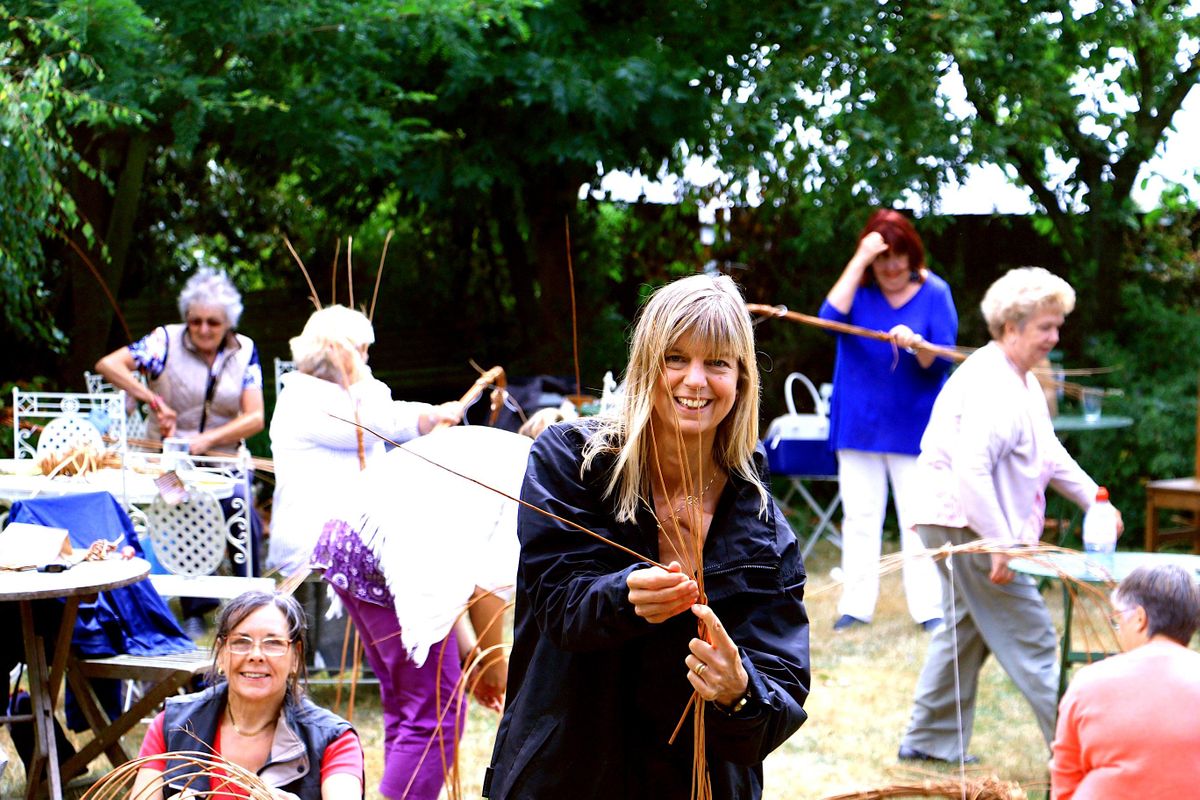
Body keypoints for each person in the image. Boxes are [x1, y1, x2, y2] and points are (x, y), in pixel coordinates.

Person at [484, 273, 811, 799]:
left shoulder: (761, 521)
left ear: (742, 379)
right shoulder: (573, 461)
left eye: (717, 363)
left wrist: (738, 689)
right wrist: (624, 594)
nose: (695, 380)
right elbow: (556, 604)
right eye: (675, 358)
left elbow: (782, 693)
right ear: (645, 365)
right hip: (566, 776)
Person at [897, 266, 1122, 764]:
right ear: (1011, 327)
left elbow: (1048, 452)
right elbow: (971, 471)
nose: (1055, 337)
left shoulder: (1020, 379)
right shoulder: (993, 385)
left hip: (958, 519)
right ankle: (1081, 757)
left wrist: (1094, 497)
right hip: (964, 521)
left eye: (1057, 325)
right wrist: (1000, 543)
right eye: (1046, 326)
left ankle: (928, 740)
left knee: (965, 628)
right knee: (1033, 635)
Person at [313, 425, 530, 800]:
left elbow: (451, 581)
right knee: (437, 717)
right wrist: (495, 669)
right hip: (380, 550)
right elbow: (488, 589)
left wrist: (473, 659)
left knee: (409, 704)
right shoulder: (531, 480)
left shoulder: (514, 452)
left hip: (349, 540)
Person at [95, 268, 265, 638]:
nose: (203, 329)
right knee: (184, 505)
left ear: (228, 323)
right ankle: (195, 608)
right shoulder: (164, 341)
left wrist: (207, 440)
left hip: (224, 459)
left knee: (242, 510)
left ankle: (250, 602)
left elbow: (255, 417)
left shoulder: (245, 350)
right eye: (195, 321)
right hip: (168, 461)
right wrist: (151, 398)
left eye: (213, 323)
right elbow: (108, 364)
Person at [819, 208, 957, 633]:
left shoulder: (935, 292)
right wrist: (861, 257)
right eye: (882, 259)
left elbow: (941, 360)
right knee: (859, 519)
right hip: (858, 425)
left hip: (915, 428)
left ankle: (929, 609)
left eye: (898, 257)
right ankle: (856, 606)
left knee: (919, 521)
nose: (891, 267)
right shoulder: (858, 291)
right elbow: (828, 320)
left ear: (912, 255)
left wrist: (918, 345)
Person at [267, 304, 462, 576]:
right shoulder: (300, 398)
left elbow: (384, 413)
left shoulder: (340, 394)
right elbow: (372, 424)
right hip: (313, 556)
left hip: (350, 549)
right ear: (336, 350)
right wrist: (426, 417)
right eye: (361, 349)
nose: (366, 358)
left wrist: (428, 416)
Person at [129, 590, 364, 800]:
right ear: (221, 653)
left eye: (273, 643)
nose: (256, 655)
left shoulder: (333, 740)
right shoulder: (172, 725)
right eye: (241, 642)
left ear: (296, 656)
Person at [1050, 564, 1200, 799]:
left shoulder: (1089, 683)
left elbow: (1065, 782)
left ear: (1140, 618)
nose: (1118, 632)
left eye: (1118, 620)